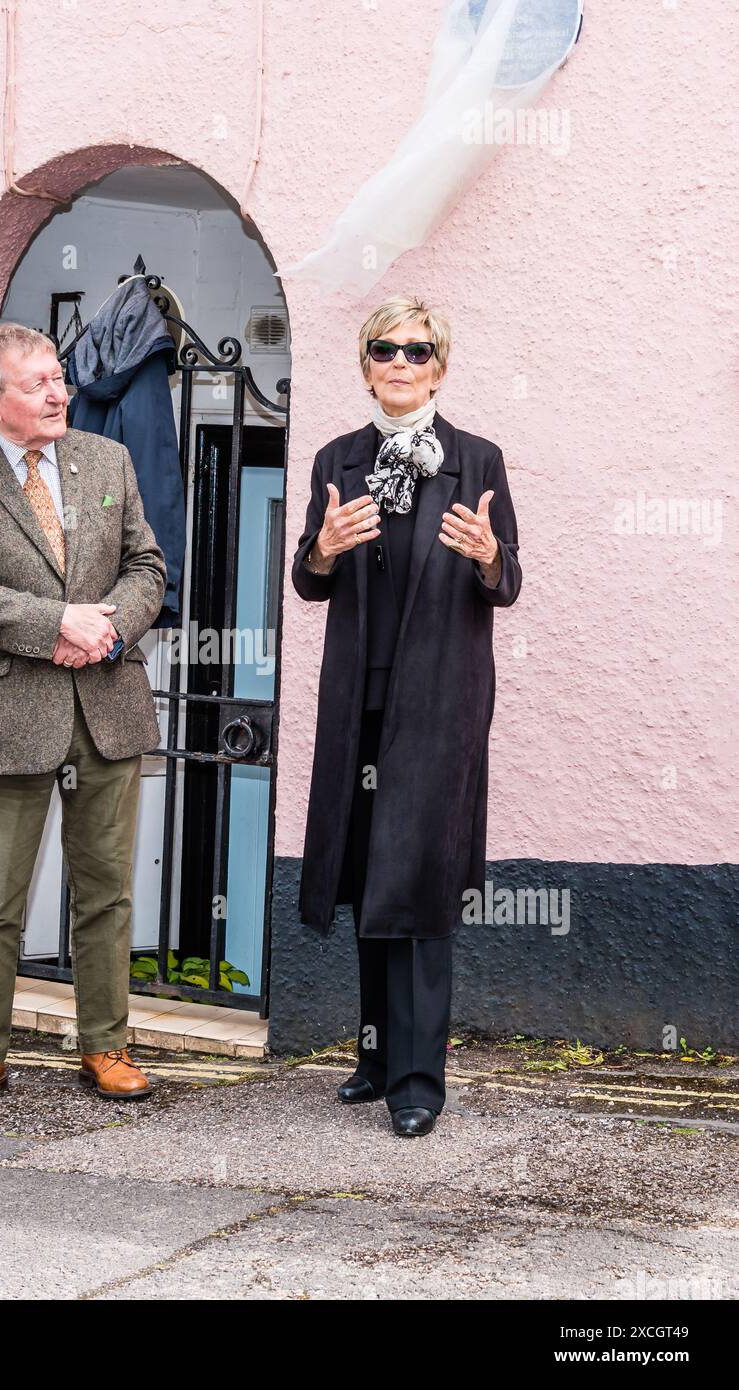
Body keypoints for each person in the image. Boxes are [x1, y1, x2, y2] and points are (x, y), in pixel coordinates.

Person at [0, 323, 167, 1114]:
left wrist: (110, 625)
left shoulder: (106, 460)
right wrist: (57, 621)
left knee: (106, 893)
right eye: (36, 384)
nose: (58, 393)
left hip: (106, 706)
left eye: (58, 378)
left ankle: (106, 1046)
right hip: (5, 715)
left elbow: (147, 566)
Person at [290, 294, 522, 1137]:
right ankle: (376, 1057)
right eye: (382, 349)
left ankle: (419, 1081)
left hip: (439, 700)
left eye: (415, 351)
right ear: (364, 365)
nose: (399, 362)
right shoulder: (337, 458)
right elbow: (308, 580)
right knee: (365, 876)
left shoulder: (478, 459)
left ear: (439, 364)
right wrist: (323, 548)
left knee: (418, 882)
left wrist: (490, 555)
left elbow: (509, 580)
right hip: (360, 696)